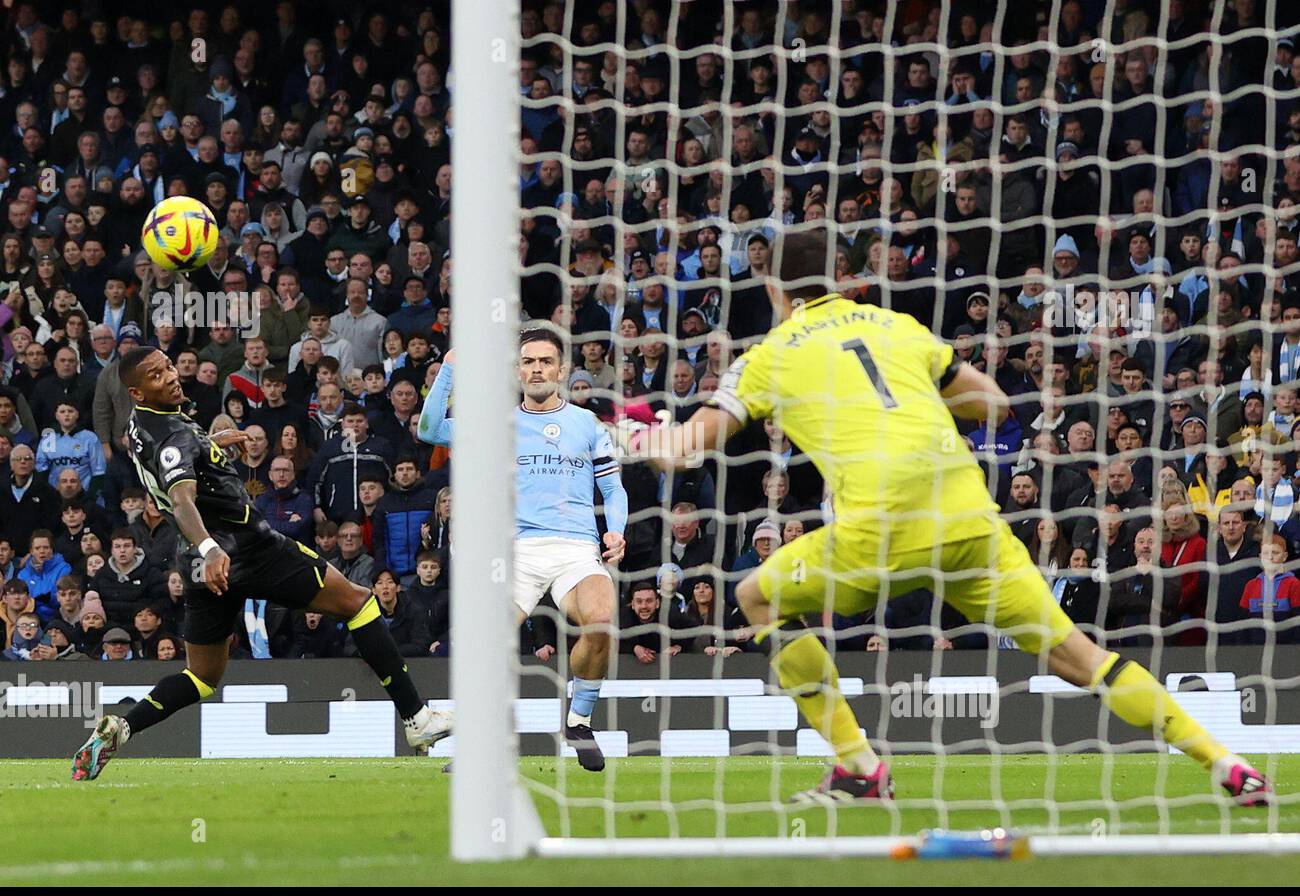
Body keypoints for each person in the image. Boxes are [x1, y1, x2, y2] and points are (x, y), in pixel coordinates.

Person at [617, 227, 1269, 804]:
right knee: (1080, 656)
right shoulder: (894, 325)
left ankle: (861, 765)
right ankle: (1228, 762)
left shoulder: (769, 354)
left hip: (882, 530)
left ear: (773, 285)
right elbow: (991, 403)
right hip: (968, 520)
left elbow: (686, 450)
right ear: (844, 278)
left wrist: (633, 435)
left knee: (756, 595)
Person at [70, 348, 451, 781]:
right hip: (245, 548)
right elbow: (180, 499)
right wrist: (213, 547)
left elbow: (170, 462)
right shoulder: (175, 434)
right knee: (360, 604)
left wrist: (209, 446)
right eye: (157, 375)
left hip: (196, 564)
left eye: (170, 366)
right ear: (137, 390)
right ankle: (417, 718)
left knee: (202, 675)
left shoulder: (140, 425)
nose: (172, 376)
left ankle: (122, 726)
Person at [418, 329, 627, 771]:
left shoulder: (588, 425)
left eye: (546, 361)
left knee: (603, 621)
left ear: (562, 370)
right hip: (516, 550)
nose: (537, 369)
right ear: (518, 371)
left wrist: (616, 531)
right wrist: (450, 368)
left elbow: (612, 487)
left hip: (576, 550)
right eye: (529, 361)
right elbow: (430, 428)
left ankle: (579, 721)